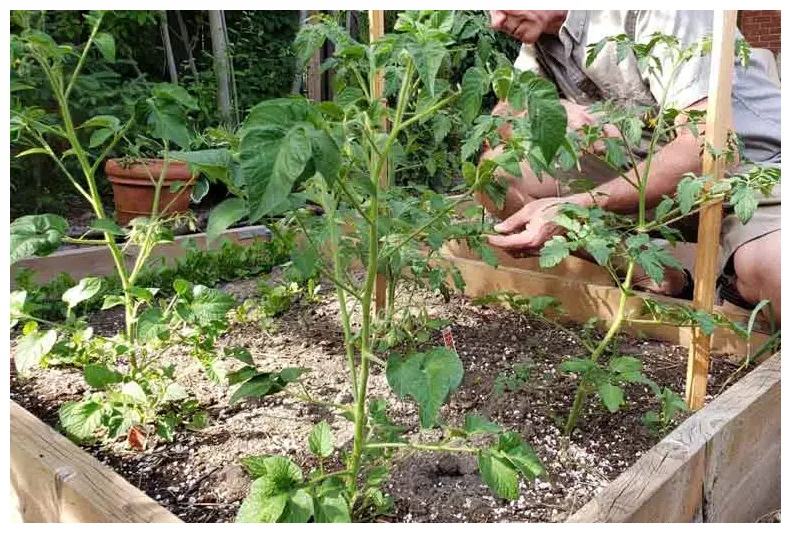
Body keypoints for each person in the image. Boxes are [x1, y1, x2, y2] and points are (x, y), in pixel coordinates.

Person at [481, 10, 781, 326]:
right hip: (653, 180)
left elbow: (707, 150)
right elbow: (502, 117)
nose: (495, 20)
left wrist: (577, 207)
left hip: (754, 175)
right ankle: (660, 277)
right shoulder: (541, 39)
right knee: (496, 176)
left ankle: (739, 284)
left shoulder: (658, 12)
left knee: (774, 275)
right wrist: (544, 108)